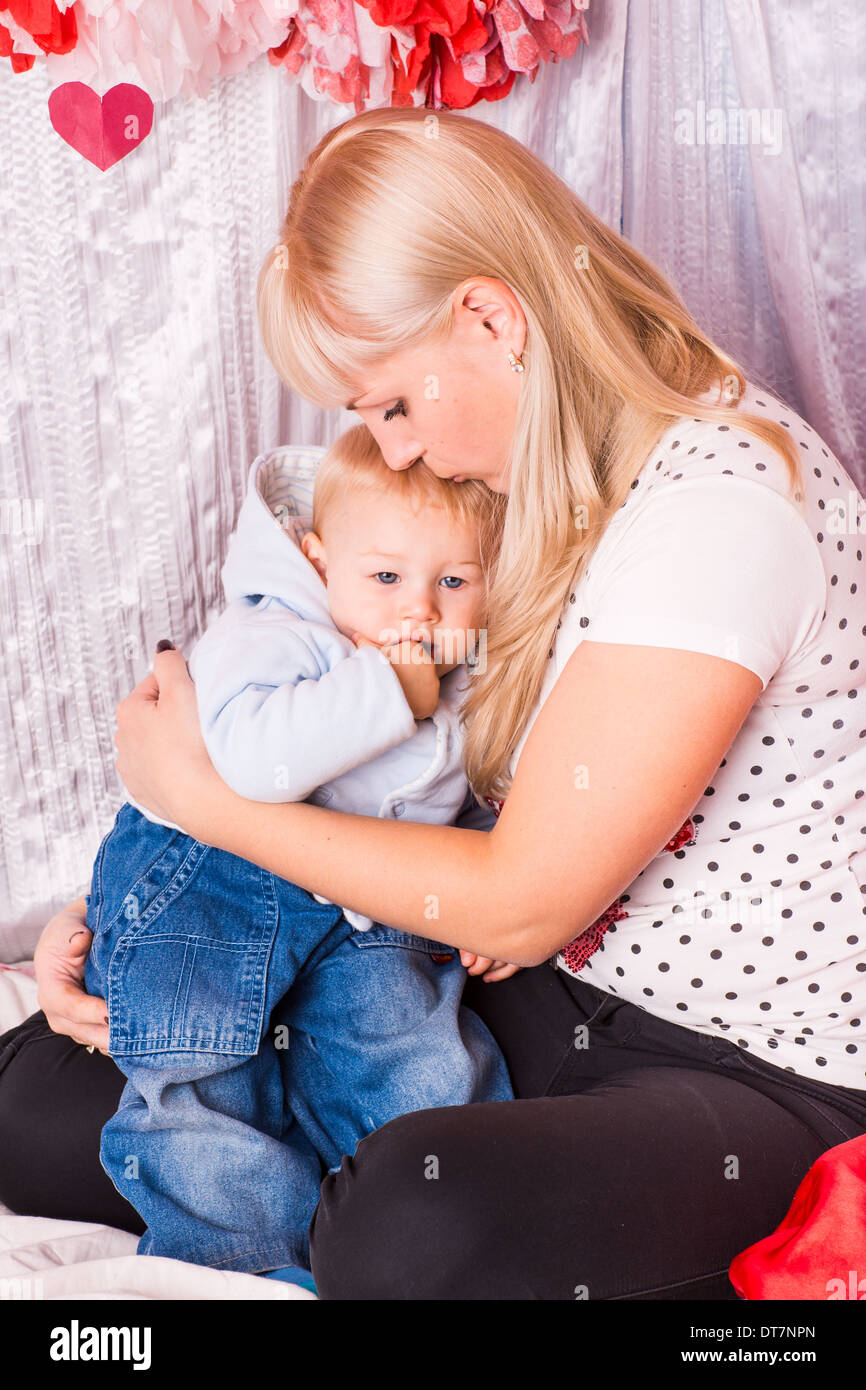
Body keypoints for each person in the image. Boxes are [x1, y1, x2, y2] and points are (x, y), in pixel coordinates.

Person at [2, 106, 865, 1301]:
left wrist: (199, 798)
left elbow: (518, 899)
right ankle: (320, 1160)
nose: (393, 456)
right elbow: (426, 789)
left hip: (738, 1064)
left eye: (393, 406)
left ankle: (371, 1194)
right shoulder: (530, 481)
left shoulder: (718, 510)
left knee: (406, 1228)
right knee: (35, 1095)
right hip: (538, 990)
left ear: (490, 319)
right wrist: (146, 922)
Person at [79, 422, 514, 1279]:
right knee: (198, 1078)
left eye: (453, 581)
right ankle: (243, 1274)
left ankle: (456, 1241)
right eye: (386, 577)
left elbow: (466, 787)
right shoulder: (274, 631)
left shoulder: (471, 665)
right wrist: (389, 687)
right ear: (320, 562)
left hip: (367, 896)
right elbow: (250, 763)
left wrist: (491, 883)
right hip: (209, 876)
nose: (419, 608)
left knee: (414, 1057)